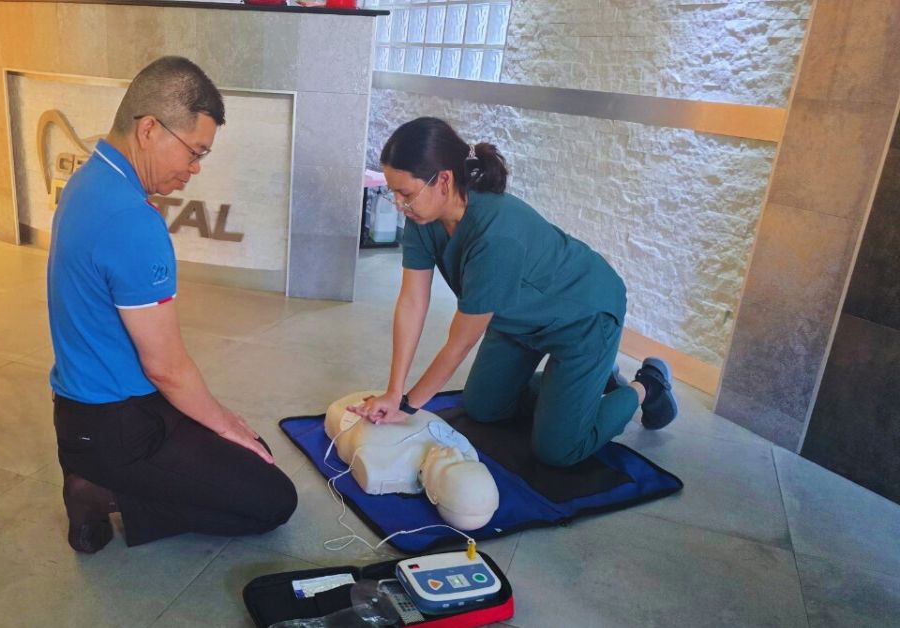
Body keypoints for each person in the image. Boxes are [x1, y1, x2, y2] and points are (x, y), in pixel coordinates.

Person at [46, 57, 297, 552]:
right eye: (194, 151)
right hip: (117, 427)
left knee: (254, 453)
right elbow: (166, 367)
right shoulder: (133, 221)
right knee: (273, 500)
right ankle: (101, 490)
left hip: (87, 415)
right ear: (148, 129)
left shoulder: (90, 179)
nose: (195, 168)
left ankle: (103, 478)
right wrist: (224, 420)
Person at [351, 117, 678, 467]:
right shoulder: (423, 218)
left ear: (443, 180)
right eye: (393, 192)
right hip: (516, 320)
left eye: (406, 193)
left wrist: (408, 405)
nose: (399, 204)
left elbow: (459, 342)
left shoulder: (495, 236)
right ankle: (588, 384)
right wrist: (394, 389)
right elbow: (412, 303)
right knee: (483, 408)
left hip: (584, 316)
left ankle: (647, 385)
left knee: (558, 450)